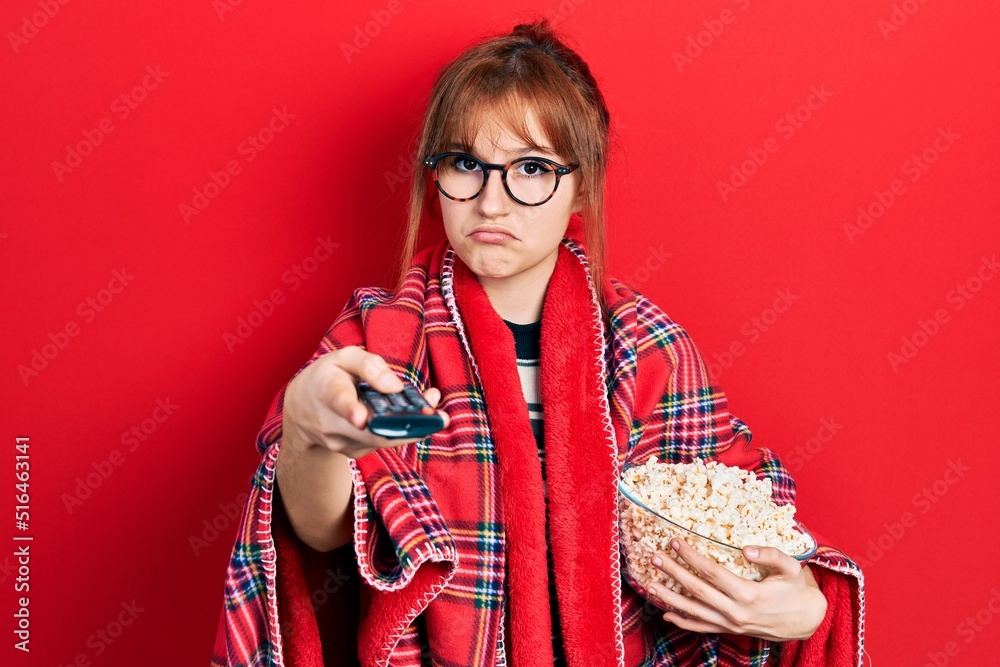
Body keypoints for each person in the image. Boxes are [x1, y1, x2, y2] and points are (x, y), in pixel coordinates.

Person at [211, 19, 865, 667]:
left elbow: (748, 516)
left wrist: (808, 607)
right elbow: (319, 533)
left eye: (530, 168)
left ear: (582, 184)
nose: (491, 202)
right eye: (465, 163)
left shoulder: (649, 348)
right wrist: (310, 432)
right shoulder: (382, 338)